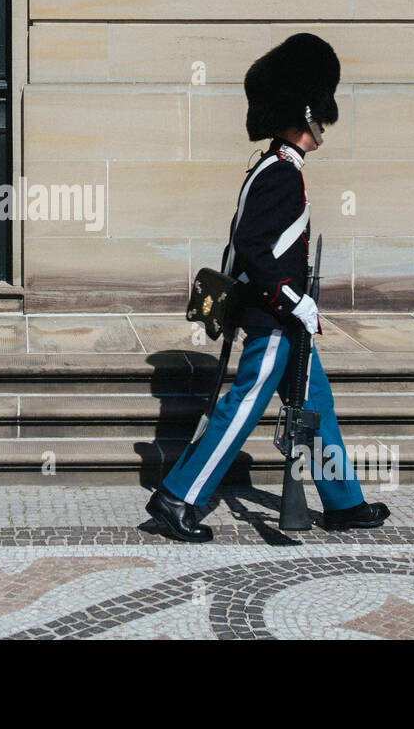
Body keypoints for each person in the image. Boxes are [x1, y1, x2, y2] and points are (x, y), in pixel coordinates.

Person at [146, 33, 391, 541]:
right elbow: (253, 248)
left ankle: (344, 502)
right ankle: (178, 497)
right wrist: (293, 301)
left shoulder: (274, 167)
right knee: (241, 411)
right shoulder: (280, 173)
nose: (324, 126)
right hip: (273, 320)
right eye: (319, 115)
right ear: (304, 114)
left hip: (283, 319)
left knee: (317, 410)